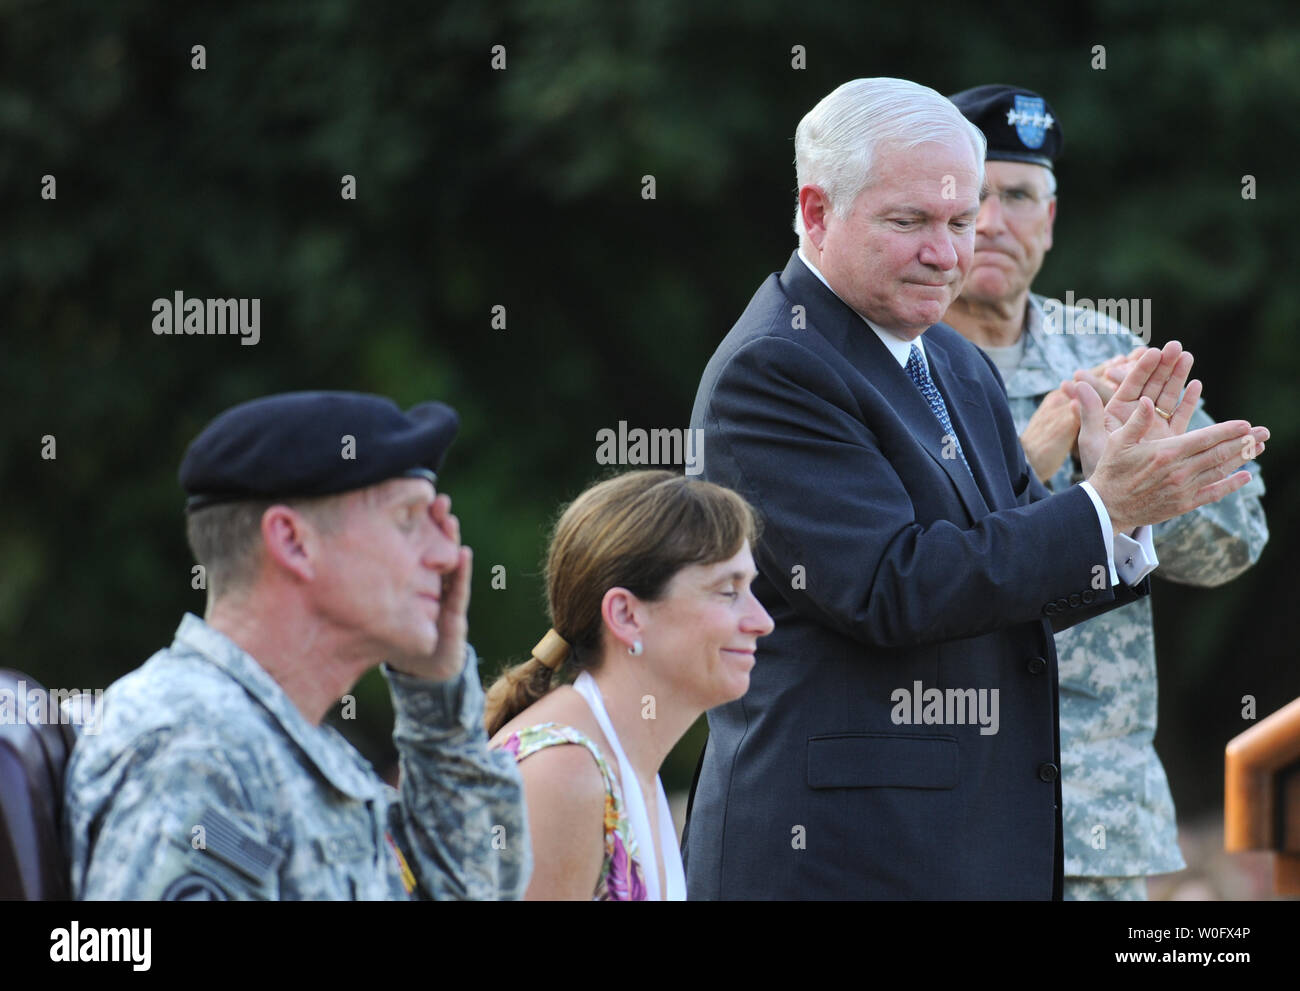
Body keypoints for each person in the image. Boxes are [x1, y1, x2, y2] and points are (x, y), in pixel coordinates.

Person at [683, 77, 1269, 900]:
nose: (949, 252)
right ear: (815, 212)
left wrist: (1116, 507)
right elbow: (896, 586)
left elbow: (1020, 573)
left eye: (959, 222)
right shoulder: (776, 367)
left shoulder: (945, 357)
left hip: (962, 845)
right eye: (910, 221)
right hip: (839, 859)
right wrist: (1106, 507)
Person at [943, 84, 1269, 900]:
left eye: (1018, 195)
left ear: (1049, 221)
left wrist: (1146, 487)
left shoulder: (1114, 356)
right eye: (971, 196)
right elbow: (906, 561)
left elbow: (1236, 545)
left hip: (1097, 815)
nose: (991, 221)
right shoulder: (889, 364)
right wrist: (1041, 447)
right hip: (942, 802)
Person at [63, 391, 530, 900]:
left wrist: (437, 702)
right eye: (407, 519)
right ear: (292, 542)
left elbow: (475, 891)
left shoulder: (285, 748)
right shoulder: (198, 749)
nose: (447, 554)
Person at [484, 470, 773, 900]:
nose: (762, 622)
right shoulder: (562, 772)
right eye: (727, 592)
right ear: (626, 615)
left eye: (749, 587)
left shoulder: (623, 764)